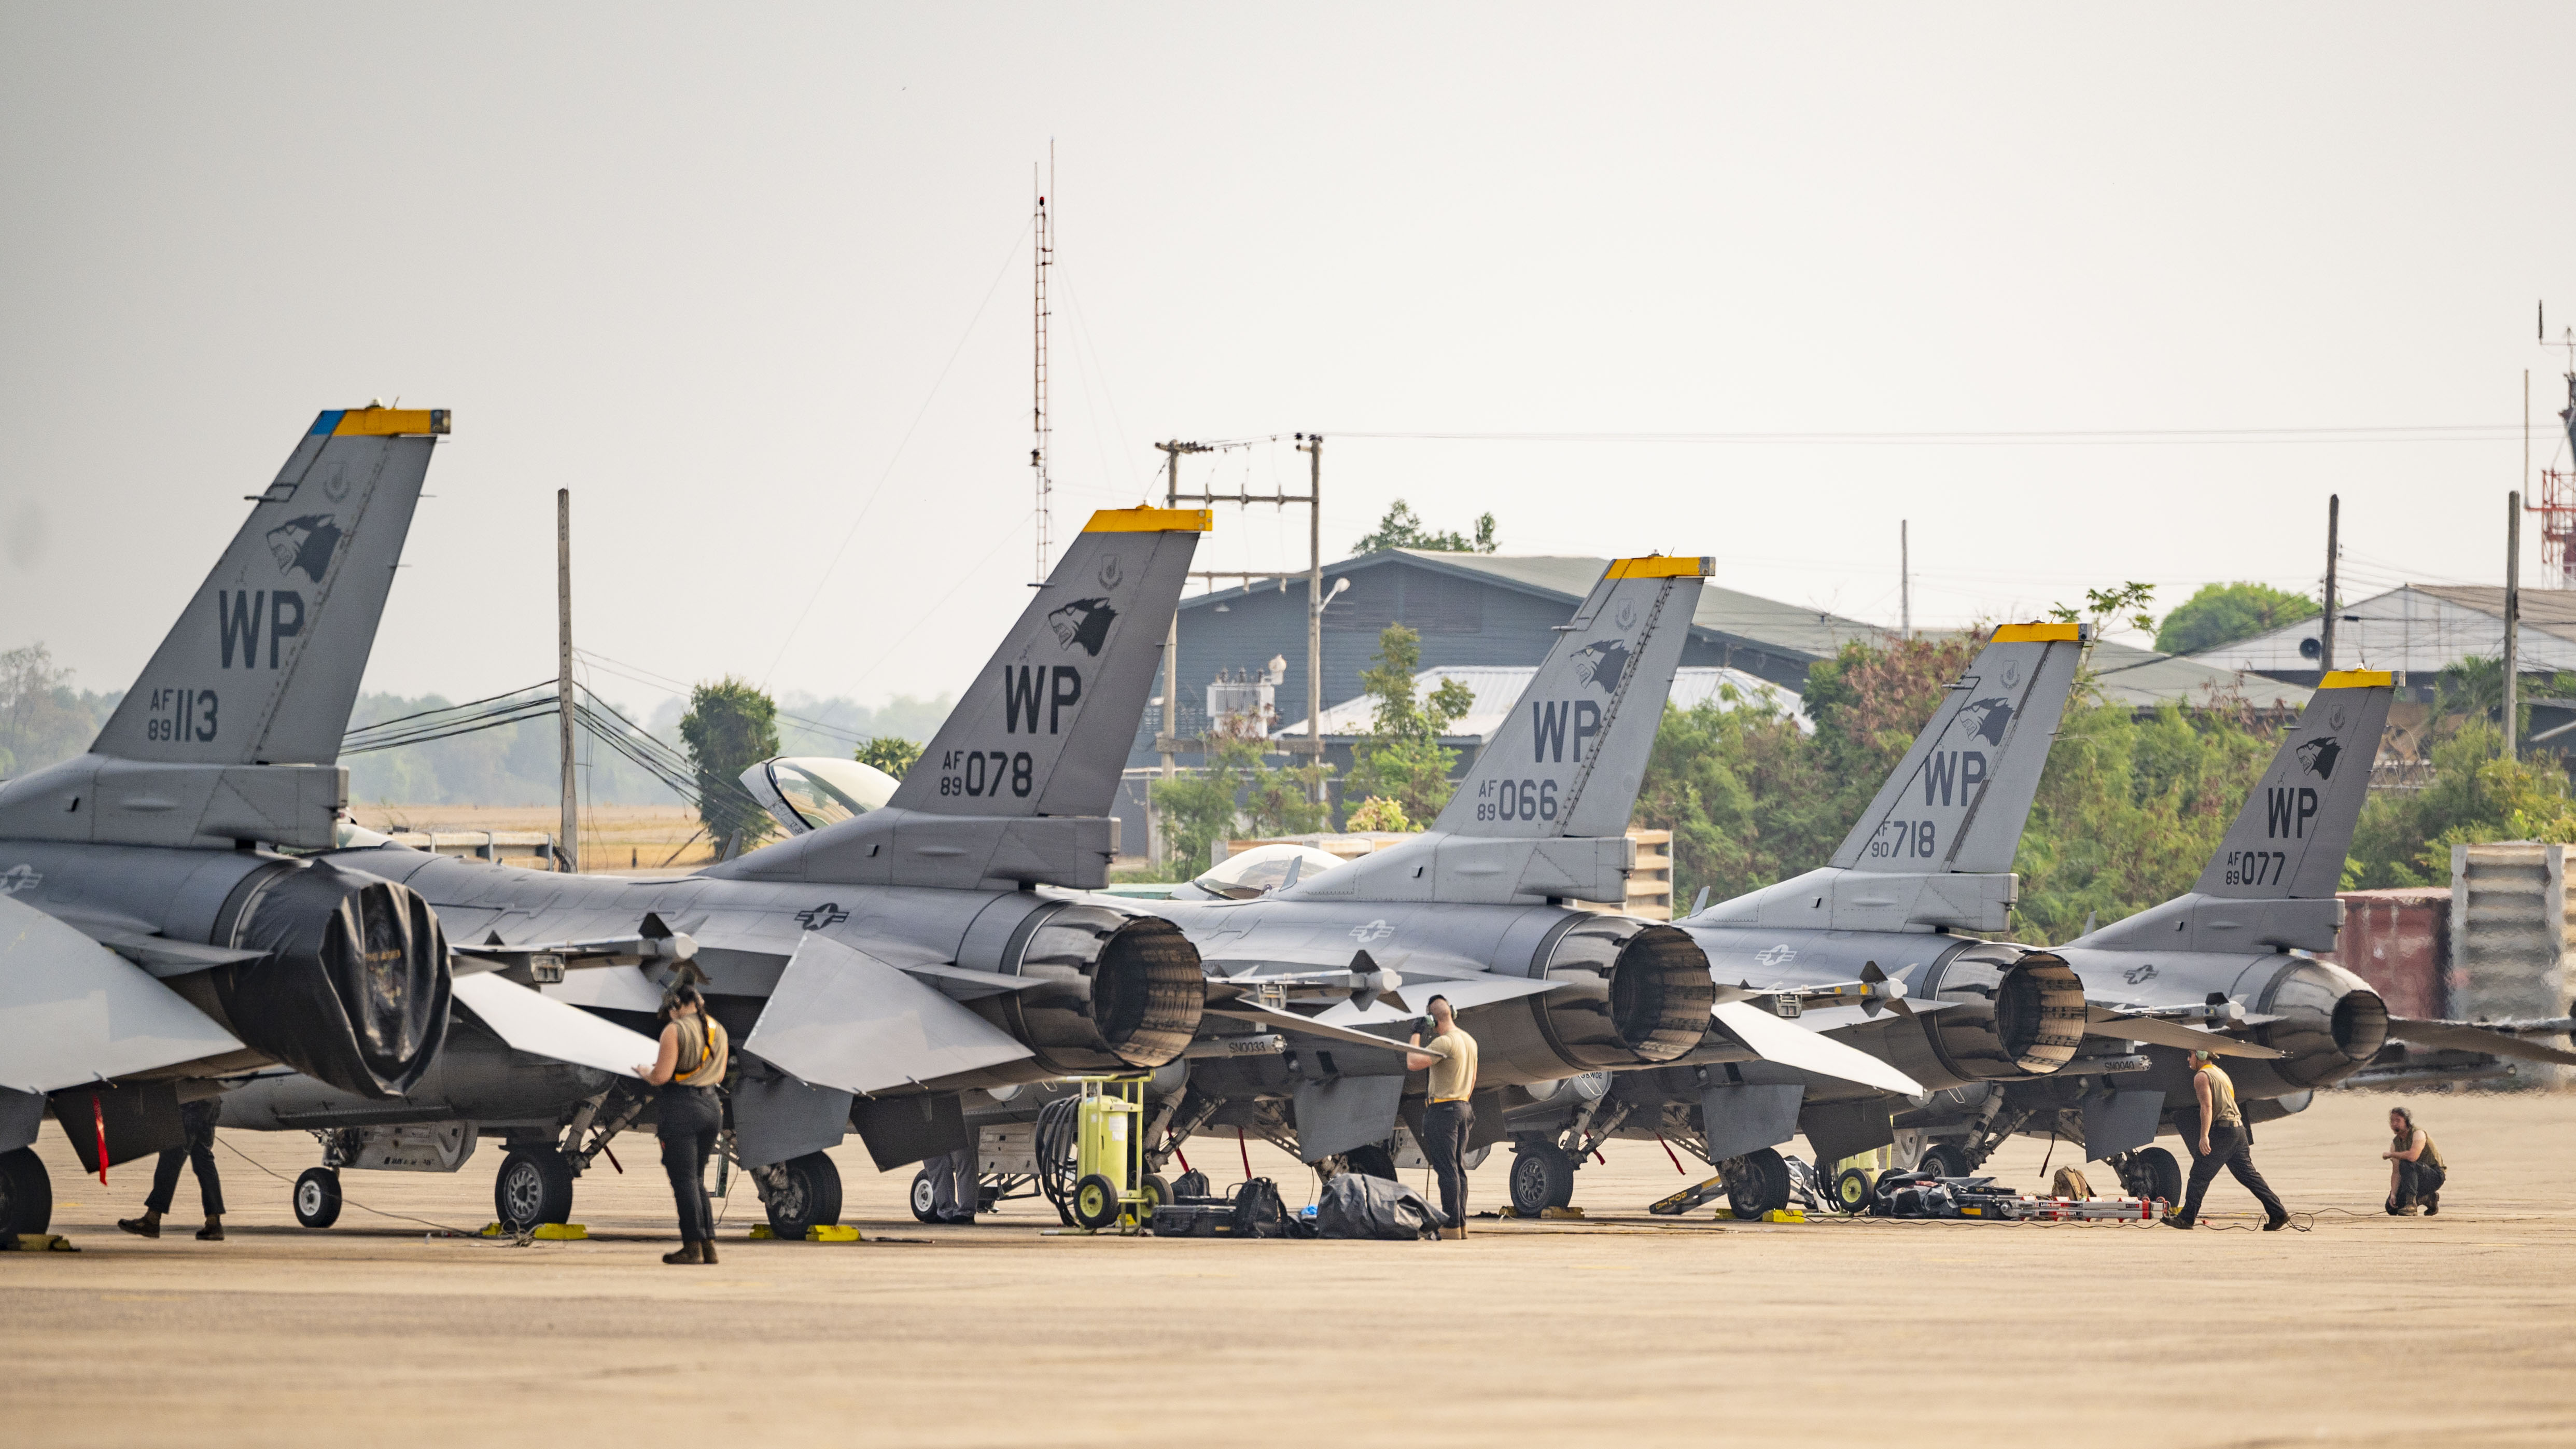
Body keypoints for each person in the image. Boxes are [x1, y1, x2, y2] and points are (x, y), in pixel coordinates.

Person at [635, 984, 729, 1265]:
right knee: (696, 1179)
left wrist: (645, 1073)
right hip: (712, 1107)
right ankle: (709, 1246)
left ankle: (692, 1247)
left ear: (677, 1004)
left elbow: (662, 1076)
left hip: (682, 1109)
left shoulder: (674, 1031)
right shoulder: (718, 1030)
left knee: (684, 1181)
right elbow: (720, 1073)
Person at [2165, 1048, 2288, 1231]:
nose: (2188, 1059)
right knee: (2249, 1176)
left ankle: (2186, 1218)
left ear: (2200, 1056)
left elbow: (2207, 1107)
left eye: (2190, 1055)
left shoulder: (2202, 1076)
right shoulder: (2219, 1073)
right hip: (2239, 1130)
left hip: (2223, 1132)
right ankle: (2278, 1213)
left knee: (2199, 1176)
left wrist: (2204, 1136)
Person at [1404, 995, 1479, 1241]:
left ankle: (1451, 1225)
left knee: (1446, 1171)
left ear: (1431, 1019)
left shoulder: (1445, 1043)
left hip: (1443, 1111)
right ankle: (1461, 1225)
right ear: (1453, 1013)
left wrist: (1416, 1033)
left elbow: (1413, 1062)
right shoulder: (1469, 1040)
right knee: (1459, 1169)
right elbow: (1474, 1078)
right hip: (1464, 1107)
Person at [118, 1097, 226, 1241]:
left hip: (190, 1104)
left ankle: (152, 1219)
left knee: (171, 1159)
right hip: (209, 1101)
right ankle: (214, 1223)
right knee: (204, 1162)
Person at [2383, 1105, 2445, 1216]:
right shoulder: (2395, 1143)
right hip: (2413, 1179)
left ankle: (2411, 1204)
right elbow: (2396, 1172)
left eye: (2398, 1121)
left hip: (2433, 1176)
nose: (2394, 1124)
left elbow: (2412, 1157)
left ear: (2406, 1122)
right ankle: (2428, 1199)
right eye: (2392, 1121)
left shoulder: (2418, 1134)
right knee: (2391, 1208)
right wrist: (2393, 1194)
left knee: (2407, 1162)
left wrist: (2392, 1155)